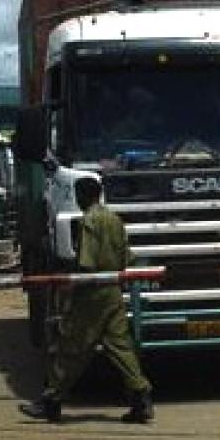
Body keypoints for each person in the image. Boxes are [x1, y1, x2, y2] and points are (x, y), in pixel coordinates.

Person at [20, 177, 154, 423]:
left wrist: (70, 288)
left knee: (72, 346)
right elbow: (127, 256)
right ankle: (140, 395)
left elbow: (87, 262)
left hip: (92, 291)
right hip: (113, 289)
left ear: (82, 196)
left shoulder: (88, 221)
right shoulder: (114, 220)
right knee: (120, 346)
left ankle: (52, 399)